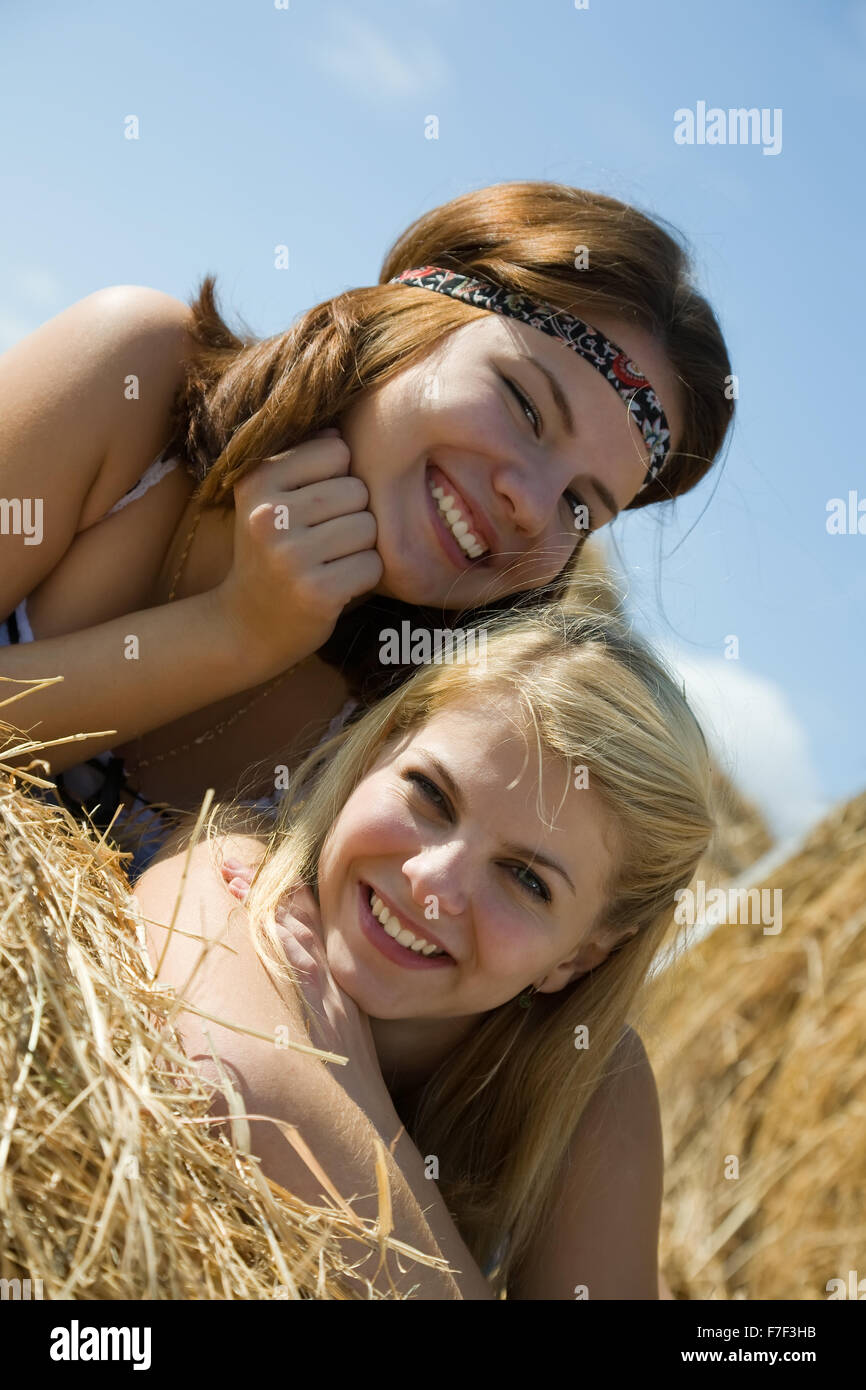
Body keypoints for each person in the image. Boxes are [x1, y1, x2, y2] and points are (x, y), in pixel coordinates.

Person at [0, 180, 733, 874]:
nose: (532, 504)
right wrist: (237, 631)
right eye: (525, 405)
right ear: (413, 316)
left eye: (581, 506)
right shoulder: (136, 369)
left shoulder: (432, 713)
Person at [133, 598, 715, 1299]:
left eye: (525, 878)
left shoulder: (591, 1083)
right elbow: (238, 1084)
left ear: (579, 958)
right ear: (377, 752)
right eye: (431, 795)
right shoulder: (234, 869)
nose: (432, 883)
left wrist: (355, 1092)